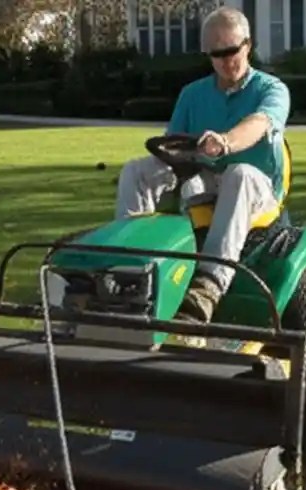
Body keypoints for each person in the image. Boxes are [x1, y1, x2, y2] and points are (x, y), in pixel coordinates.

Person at [114, 6, 291, 323]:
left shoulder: (271, 89)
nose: (225, 61)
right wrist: (175, 157)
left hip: (258, 187)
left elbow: (259, 123)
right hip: (205, 177)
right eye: (216, 54)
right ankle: (131, 268)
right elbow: (174, 142)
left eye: (231, 51)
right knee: (137, 170)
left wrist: (225, 142)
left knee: (238, 174)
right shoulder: (192, 94)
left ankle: (209, 283)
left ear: (248, 45)